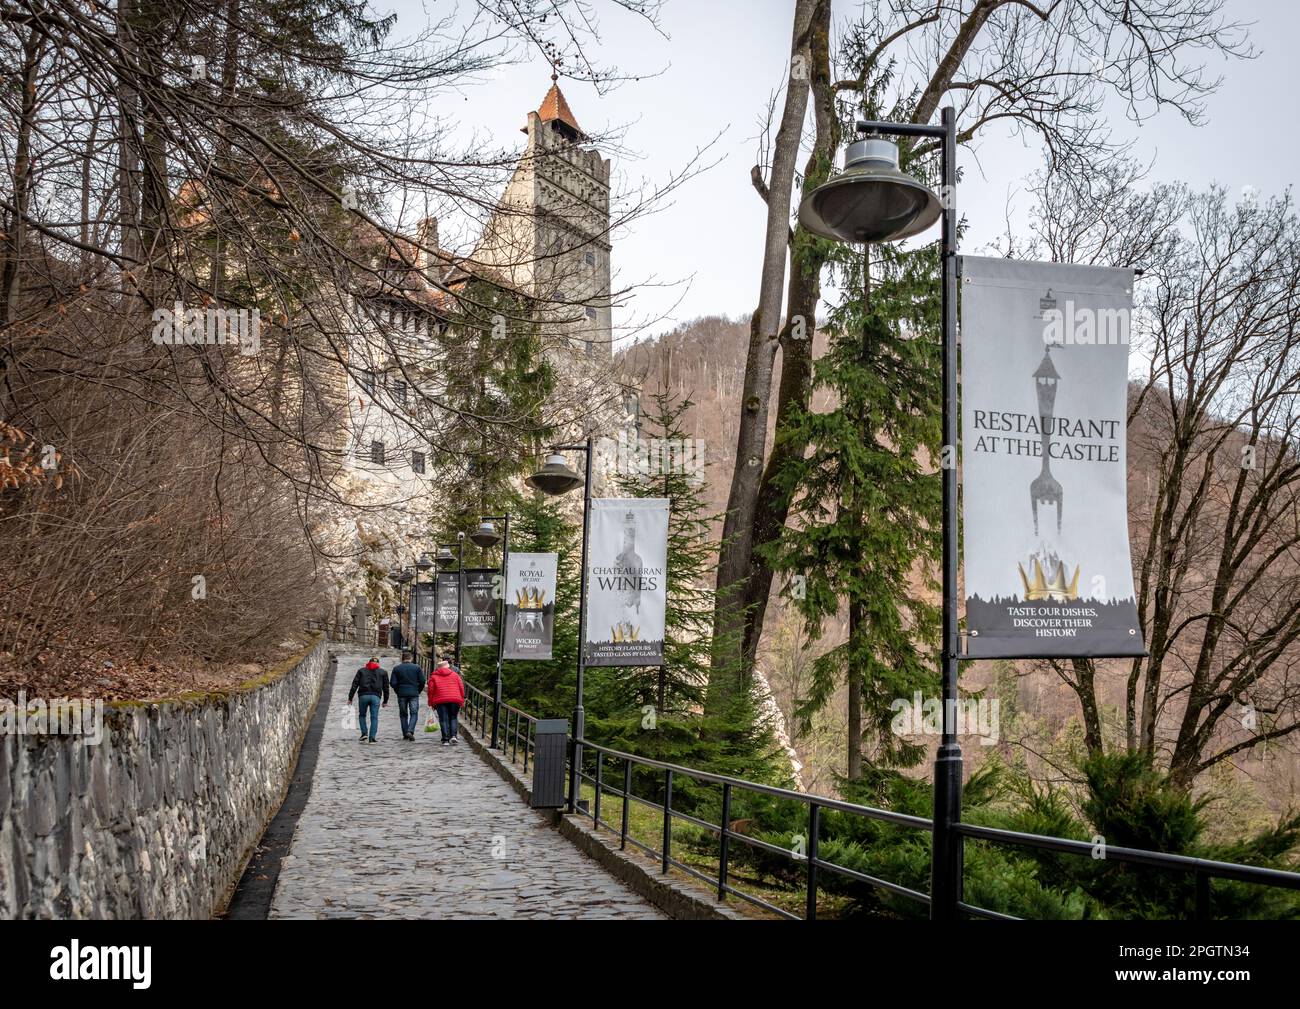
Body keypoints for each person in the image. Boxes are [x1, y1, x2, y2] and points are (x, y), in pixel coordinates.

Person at [348, 656, 389, 743]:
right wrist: (385, 700)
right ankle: (372, 737)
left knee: (362, 715)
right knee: (374, 717)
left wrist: (350, 698)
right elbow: (386, 688)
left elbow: (354, 685)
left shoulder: (361, 671)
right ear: (378, 664)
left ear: (368, 662)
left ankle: (364, 733)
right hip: (376, 697)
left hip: (363, 696)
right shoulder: (383, 672)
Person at [426, 657, 465, 746]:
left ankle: (445, 739)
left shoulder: (433, 677)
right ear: (448, 667)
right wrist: (462, 700)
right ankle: (453, 736)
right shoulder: (455, 675)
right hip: (455, 699)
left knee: (443, 719)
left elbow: (430, 691)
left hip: (440, 700)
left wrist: (430, 703)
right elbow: (461, 687)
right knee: (453, 717)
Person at [389, 650, 426, 741]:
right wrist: (418, 690)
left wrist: (398, 690)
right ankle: (410, 730)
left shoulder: (397, 668)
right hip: (414, 693)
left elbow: (392, 683)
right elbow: (422, 681)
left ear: (402, 659)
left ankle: (405, 733)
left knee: (403, 714)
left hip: (401, 694)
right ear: (411, 658)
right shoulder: (416, 668)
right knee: (414, 713)